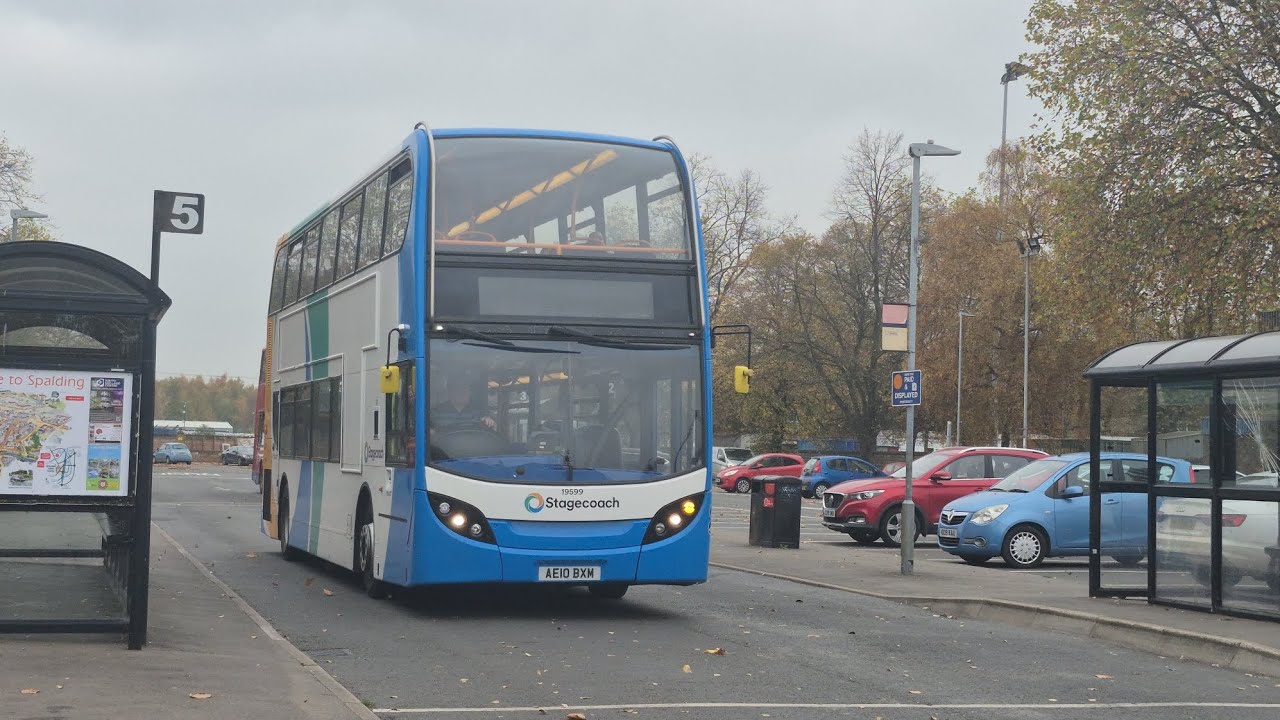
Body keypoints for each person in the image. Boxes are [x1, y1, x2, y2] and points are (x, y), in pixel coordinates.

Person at [429, 374, 496, 431]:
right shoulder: (436, 412)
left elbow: (491, 430)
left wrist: (489, 422)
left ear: (470, 392)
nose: (463, 392)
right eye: (458, 389)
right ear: (450, 392)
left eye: (465, 388)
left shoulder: (479, 412)